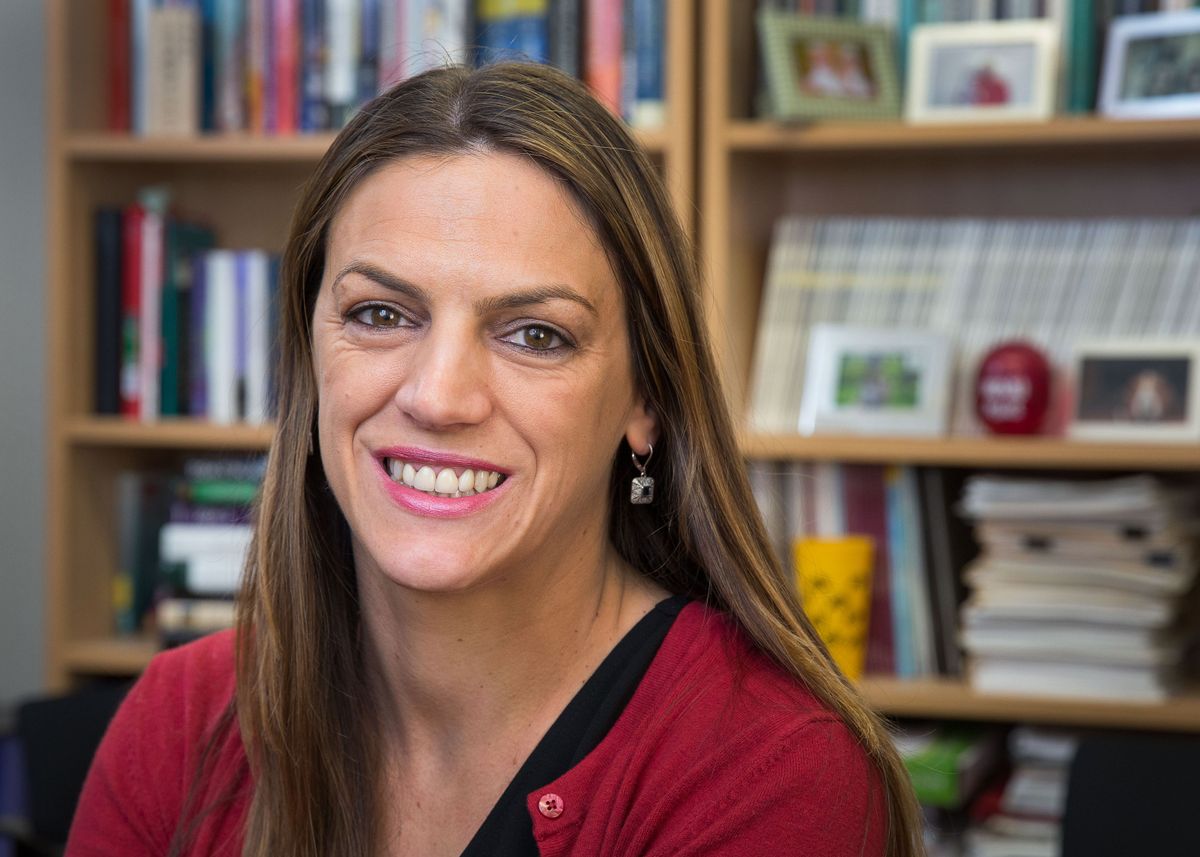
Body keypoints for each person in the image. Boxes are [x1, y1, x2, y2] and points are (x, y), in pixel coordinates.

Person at [66, 62, 924, 857]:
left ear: (646, 399)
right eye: (380, 314)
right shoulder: (182, 720)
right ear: (309, 354)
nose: (439, 397)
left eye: (535, 334)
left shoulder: (771, 768)